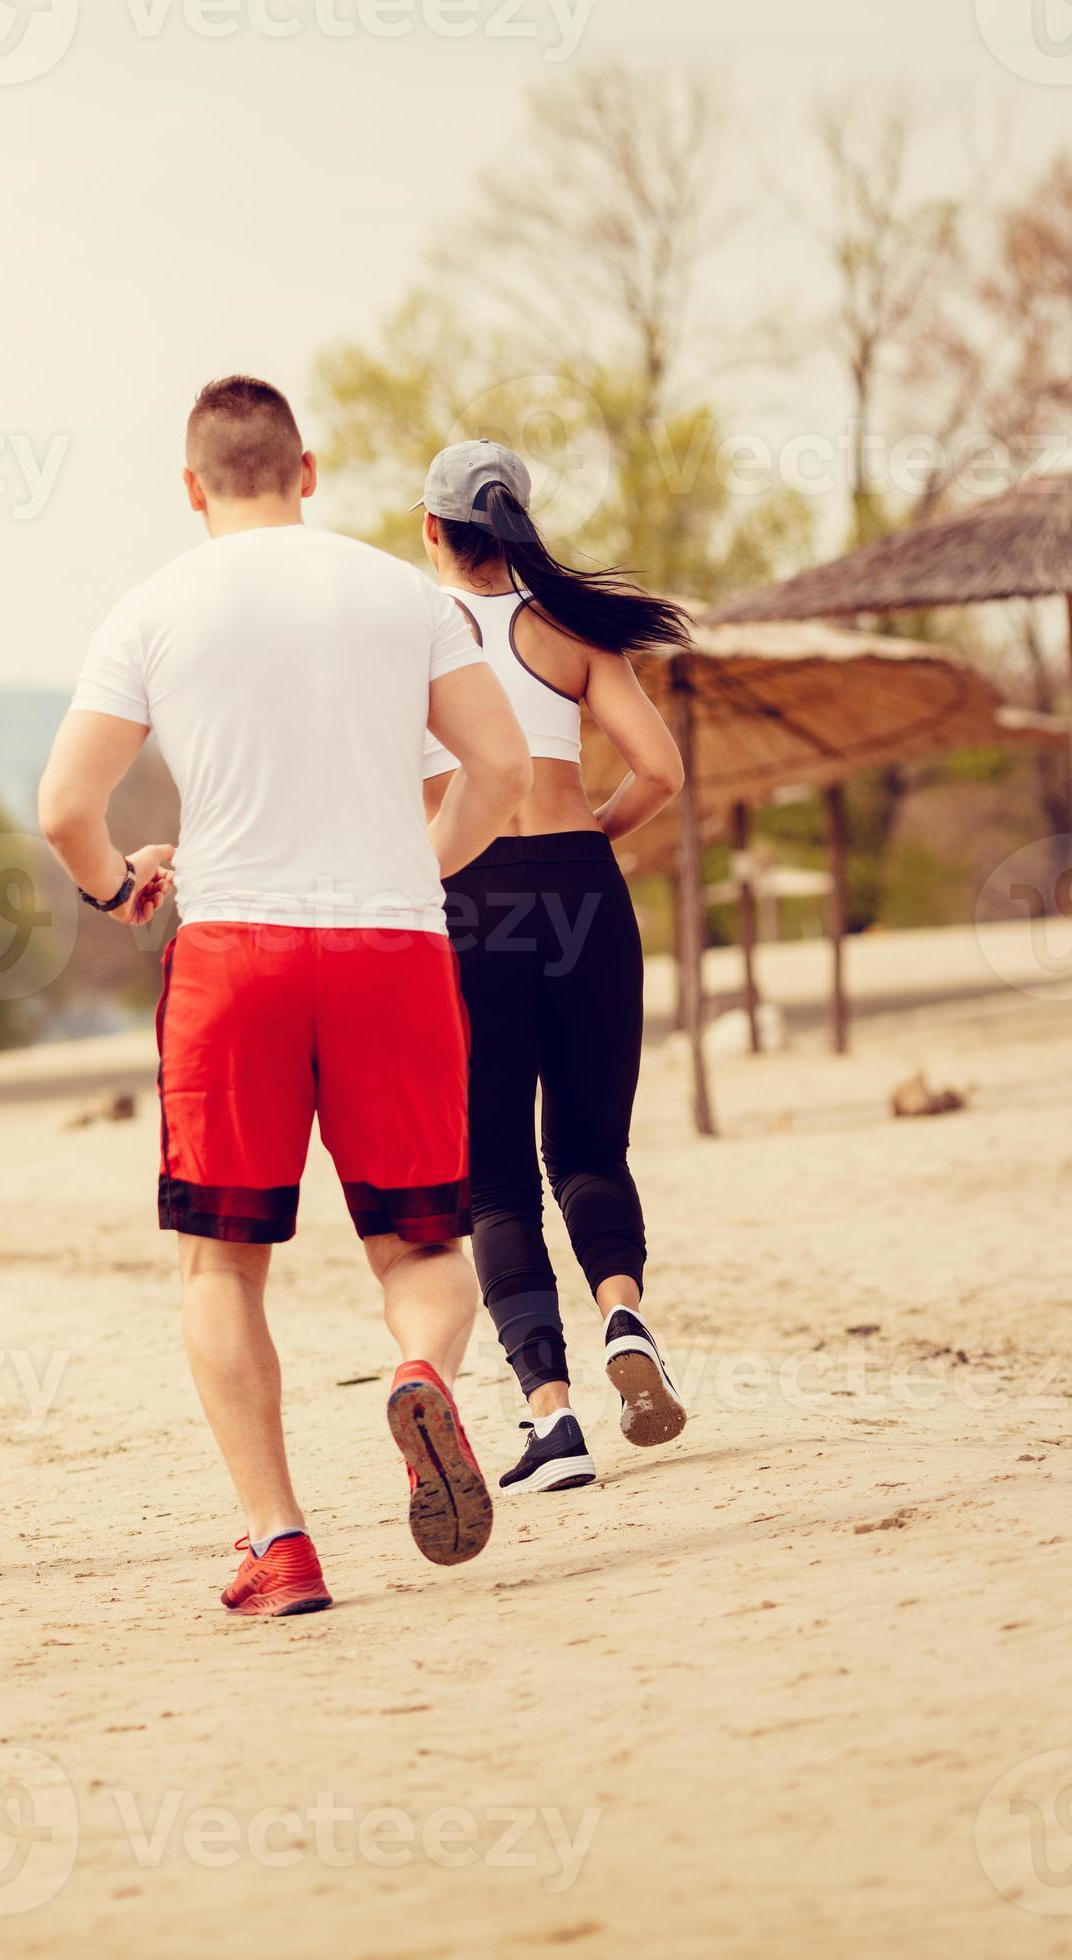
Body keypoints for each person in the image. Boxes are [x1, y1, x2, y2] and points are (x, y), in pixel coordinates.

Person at [38, 377, 531, 1619]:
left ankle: (282, 1542)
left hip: (235, 953)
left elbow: (63, 809)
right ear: (306, 472)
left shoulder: (152, 607)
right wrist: (415, 869)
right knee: (423, 1239)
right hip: (392, 949)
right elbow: (503, 764)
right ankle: (421, 1368)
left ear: (195, 485)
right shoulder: (404, 595)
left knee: (222, 1265)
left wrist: (117, 886)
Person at [414, 441, 692, 1495]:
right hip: (583, 890)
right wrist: (590, 841)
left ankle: (553, 1416)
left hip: (470, 897)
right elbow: (659, 769)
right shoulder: (572, 629)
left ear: (431, 526)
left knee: (492, 1178)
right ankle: (624, 1307)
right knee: (588, 1145)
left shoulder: (411, 635)